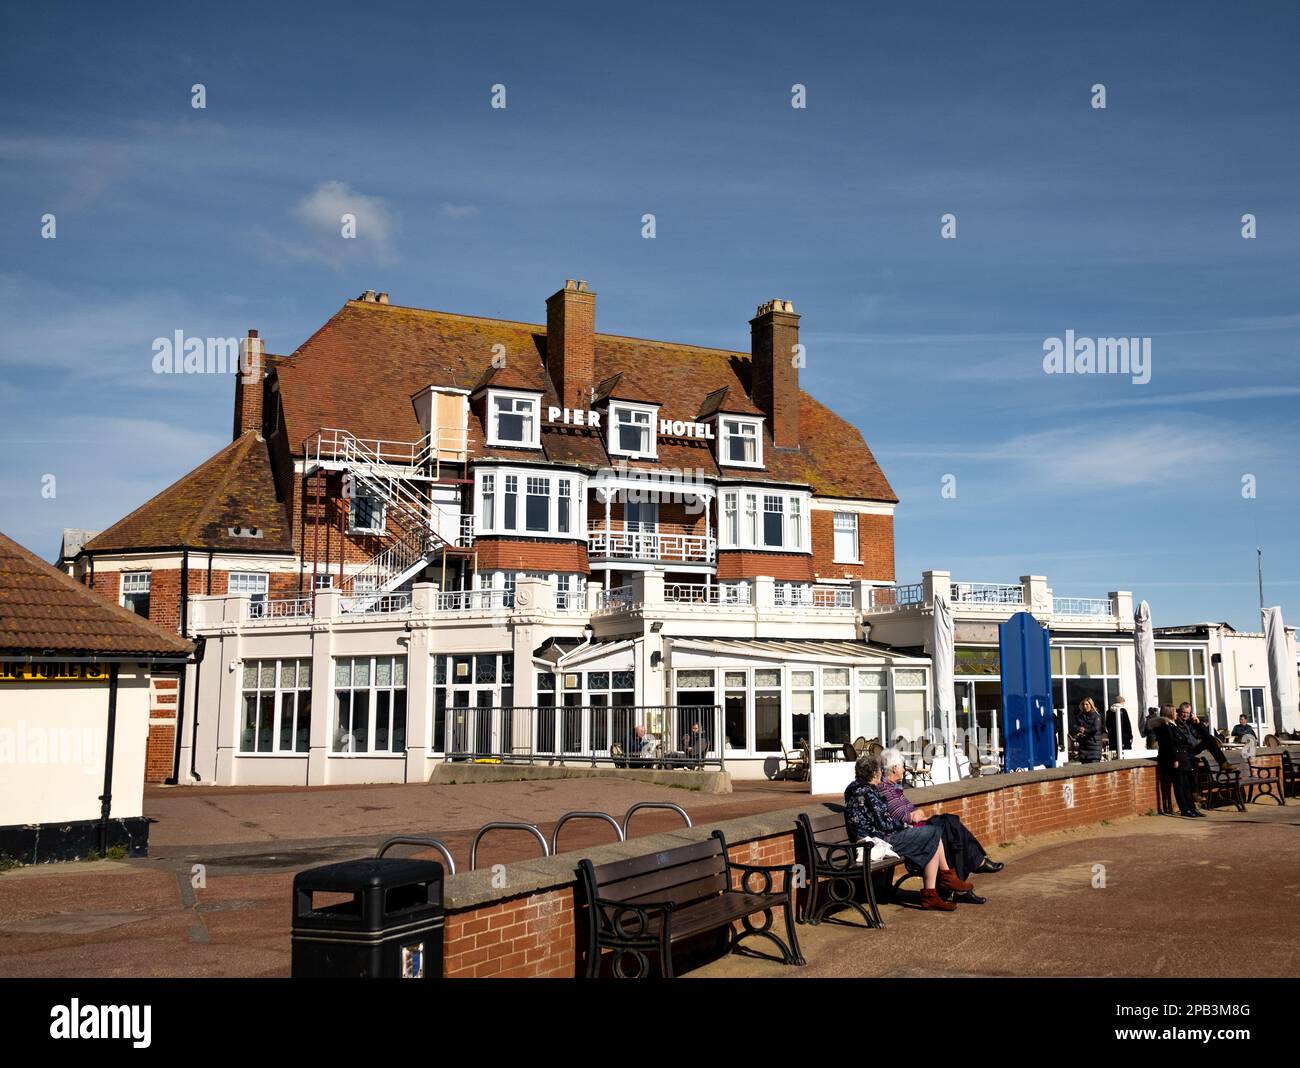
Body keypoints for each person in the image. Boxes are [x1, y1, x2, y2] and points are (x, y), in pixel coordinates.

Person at [843, 751, 977, 912]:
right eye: (879, 772)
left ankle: (935, 891)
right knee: (934, 832)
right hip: (880, 841)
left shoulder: (855, 789)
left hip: (876, 838)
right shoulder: (868, 793)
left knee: (932, 834)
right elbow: (885, 823)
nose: (881, 775)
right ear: (873, 773)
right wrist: (904, 825)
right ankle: (942, 883)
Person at [878, 748, 1001, 903]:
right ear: (894, 768)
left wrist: (916, 813)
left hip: (916, 828)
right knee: (948, 824)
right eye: (902, 765)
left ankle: (962, 880)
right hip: (911, 833)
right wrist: (914, 815)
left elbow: (913, 811)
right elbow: (904, 815)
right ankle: (976, 863)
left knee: (950, 831)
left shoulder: (895, 788)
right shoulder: (885, 789)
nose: (904, 769)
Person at [1152, 706, 1203, 817]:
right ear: (1170, 713)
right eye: (1175, 711)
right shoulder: (1165, 726)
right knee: (1179, 785)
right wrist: (1174, 759)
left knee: (1187, 785)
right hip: (1174, 759)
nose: (1177, 713)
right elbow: (1170, 744)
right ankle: (1185, 809)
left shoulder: (1173, 725)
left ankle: (1192, 808)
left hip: (1183, 757)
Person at [1179, 703, 1227, 769]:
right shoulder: (1177, 722)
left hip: (1193, 747)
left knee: (1210, 739)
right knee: (1209, 739)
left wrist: (1198, 723)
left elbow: (1206, 735)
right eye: (1183, 712)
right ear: (1180, 712)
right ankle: (1223, 764)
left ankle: (1223, 763)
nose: (1185, 715)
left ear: (1190, 713)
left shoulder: (1191, 722)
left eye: (1187, 713)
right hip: (1185, 750)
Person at [1074, 698, 1103, 764]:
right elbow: (1074, 726)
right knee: (1085, 769)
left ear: (1091, 705)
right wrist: (1079, 730)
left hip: (1094, 746)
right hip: (1083, 746)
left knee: (1094, 769)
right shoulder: (1080, 716)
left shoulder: (1096, 716)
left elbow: (1096, 728)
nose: (1085, 706)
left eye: (1087, 704)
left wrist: (1084, 730)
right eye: (1083, 704)